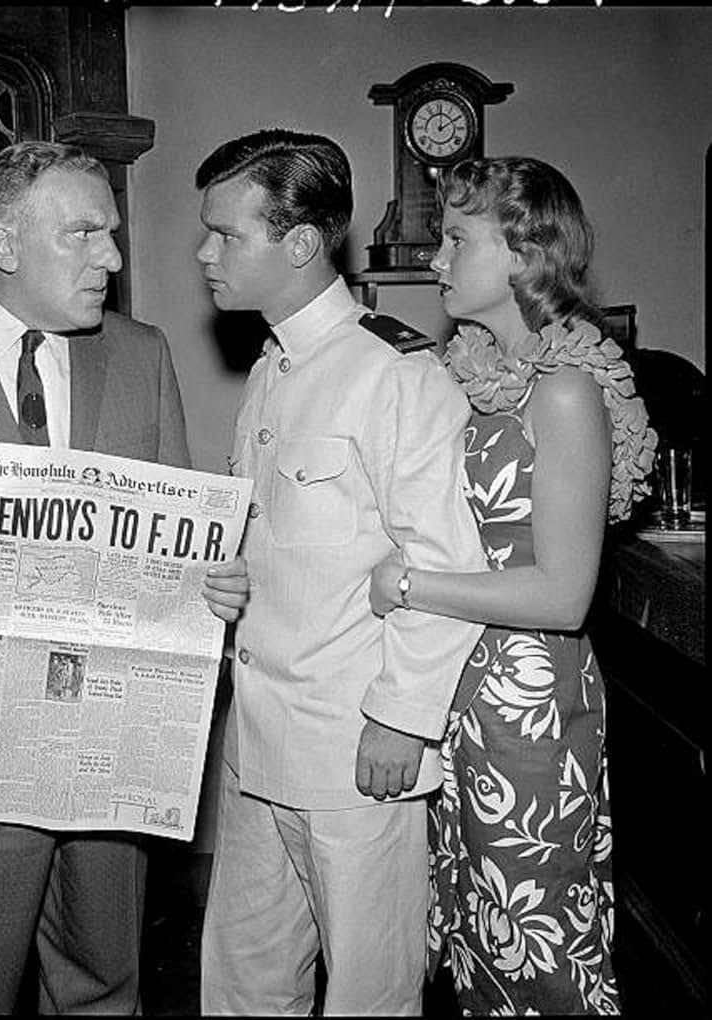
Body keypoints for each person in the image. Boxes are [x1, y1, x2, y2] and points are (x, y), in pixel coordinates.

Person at [0, 140, 249, 1015]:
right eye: (86, 234)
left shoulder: (140, 353)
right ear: (6, 246)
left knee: (104, 984)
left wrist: (213, 591)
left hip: (115, 742)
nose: (115, 259)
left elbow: (178, 538)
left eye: (114, 233)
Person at [194, 127, 487, 1016]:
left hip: (357, 750)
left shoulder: (395, 375)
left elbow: (447, 565)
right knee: (244, 979)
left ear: (301, 242)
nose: (205, 255)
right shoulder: (274, 367)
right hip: (257, 743)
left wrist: (402, 721)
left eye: (225, 234)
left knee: (370, 989)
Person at [369, 156, 657, 1015]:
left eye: (458, 239)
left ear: (527, 254)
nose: (437, 260)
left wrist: (415, 585)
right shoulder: (480, 375)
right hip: (460, 687)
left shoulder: (567, 392)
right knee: (474, 936)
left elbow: (563, 596)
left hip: (530, 702)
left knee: (538, 941)